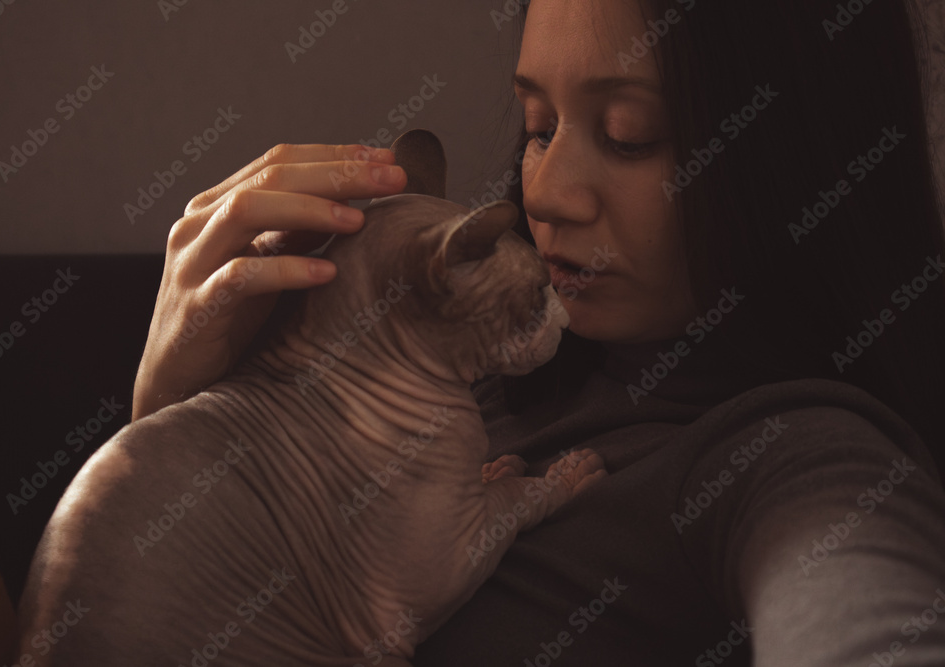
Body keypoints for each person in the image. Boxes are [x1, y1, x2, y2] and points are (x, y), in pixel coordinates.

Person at [131, 0, 945, 663]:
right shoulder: (452, 361)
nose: (546, 192)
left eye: (629, 134)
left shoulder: (802, 461)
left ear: (787, 150)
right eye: (537, 127)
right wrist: (170, 417)